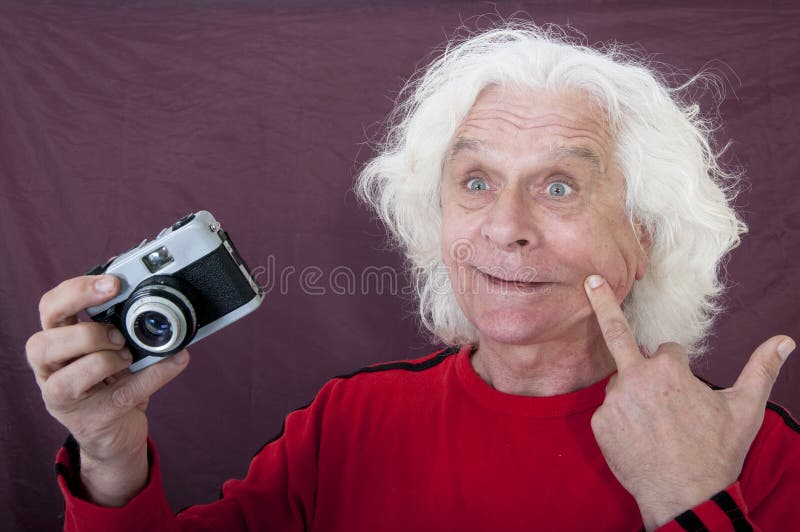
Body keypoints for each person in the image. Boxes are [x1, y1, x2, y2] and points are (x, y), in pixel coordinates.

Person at [26, 22, 800, 531]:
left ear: (645, 235)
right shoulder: (347, 424)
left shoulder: (751, 448)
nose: (505, 226)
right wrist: (110, 457)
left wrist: (691, 502)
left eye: (560, 185)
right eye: (474, 182)